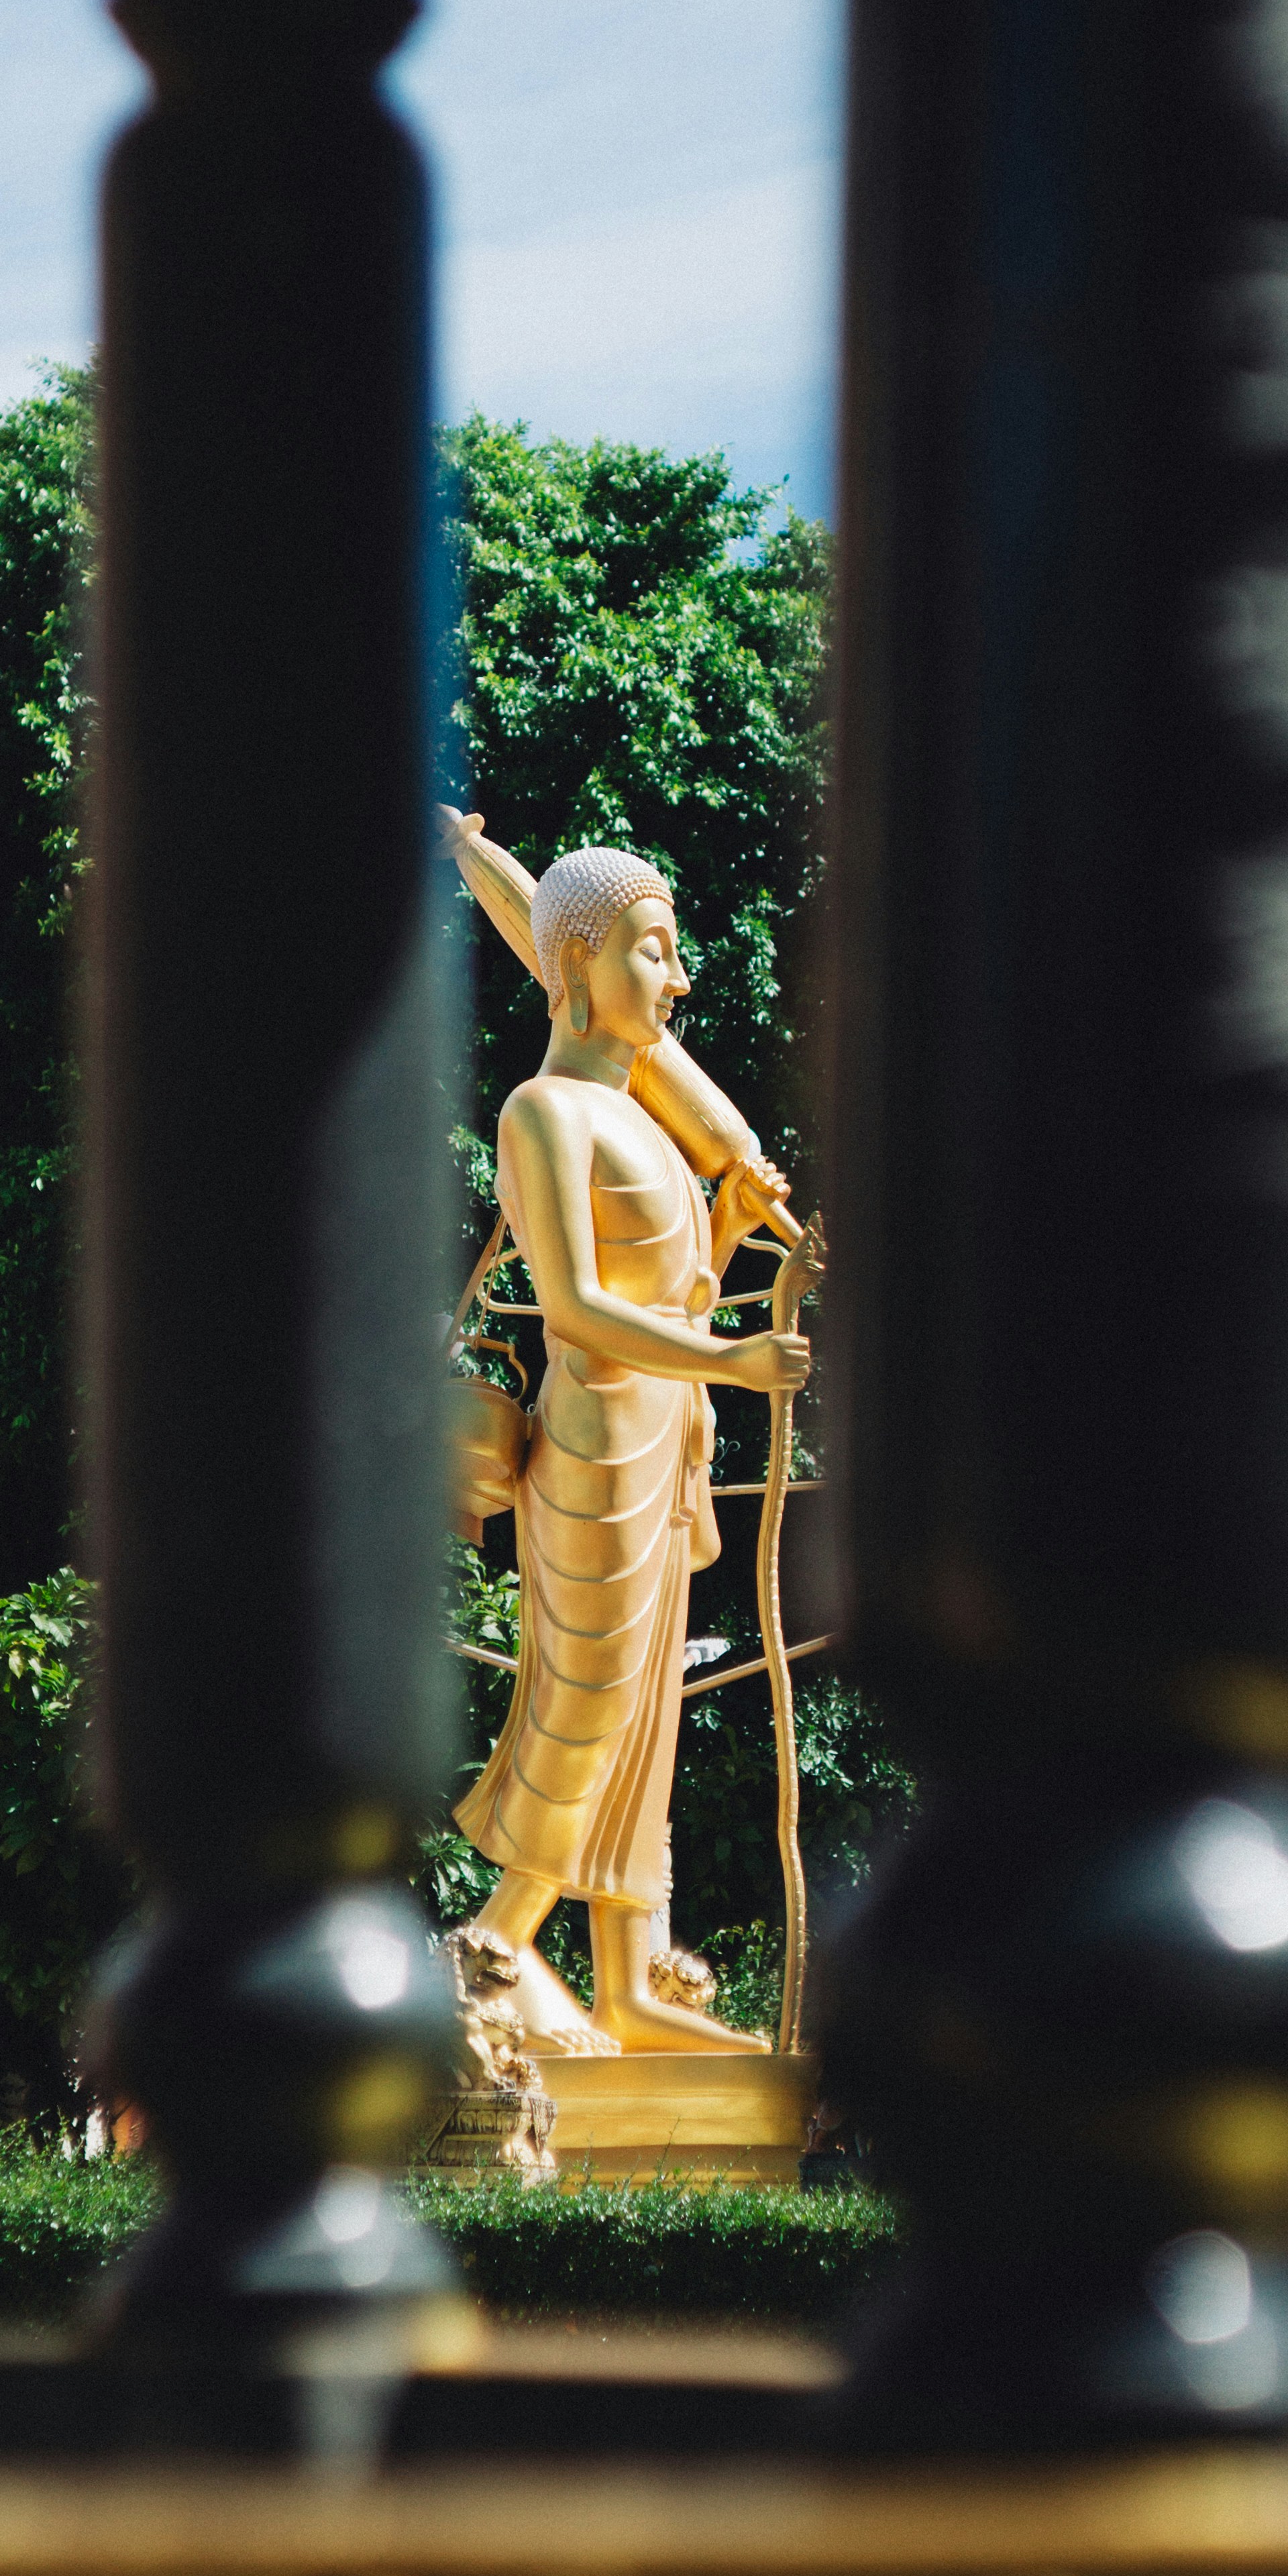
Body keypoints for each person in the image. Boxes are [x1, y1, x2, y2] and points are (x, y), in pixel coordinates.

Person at [454, 846, 809, 2052]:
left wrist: (748, 1232)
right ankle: (498, 1942)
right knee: (588, 1700)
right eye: (651, 951)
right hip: (596, 1454)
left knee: (652, 1708)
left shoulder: (645, 1125)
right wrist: (738, 1365)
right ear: (573, 965)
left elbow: (681, 1291)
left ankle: (630, 1979)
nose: (679, 979)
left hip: (667, 1452)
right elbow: (574, 1311)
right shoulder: (543, 1114)